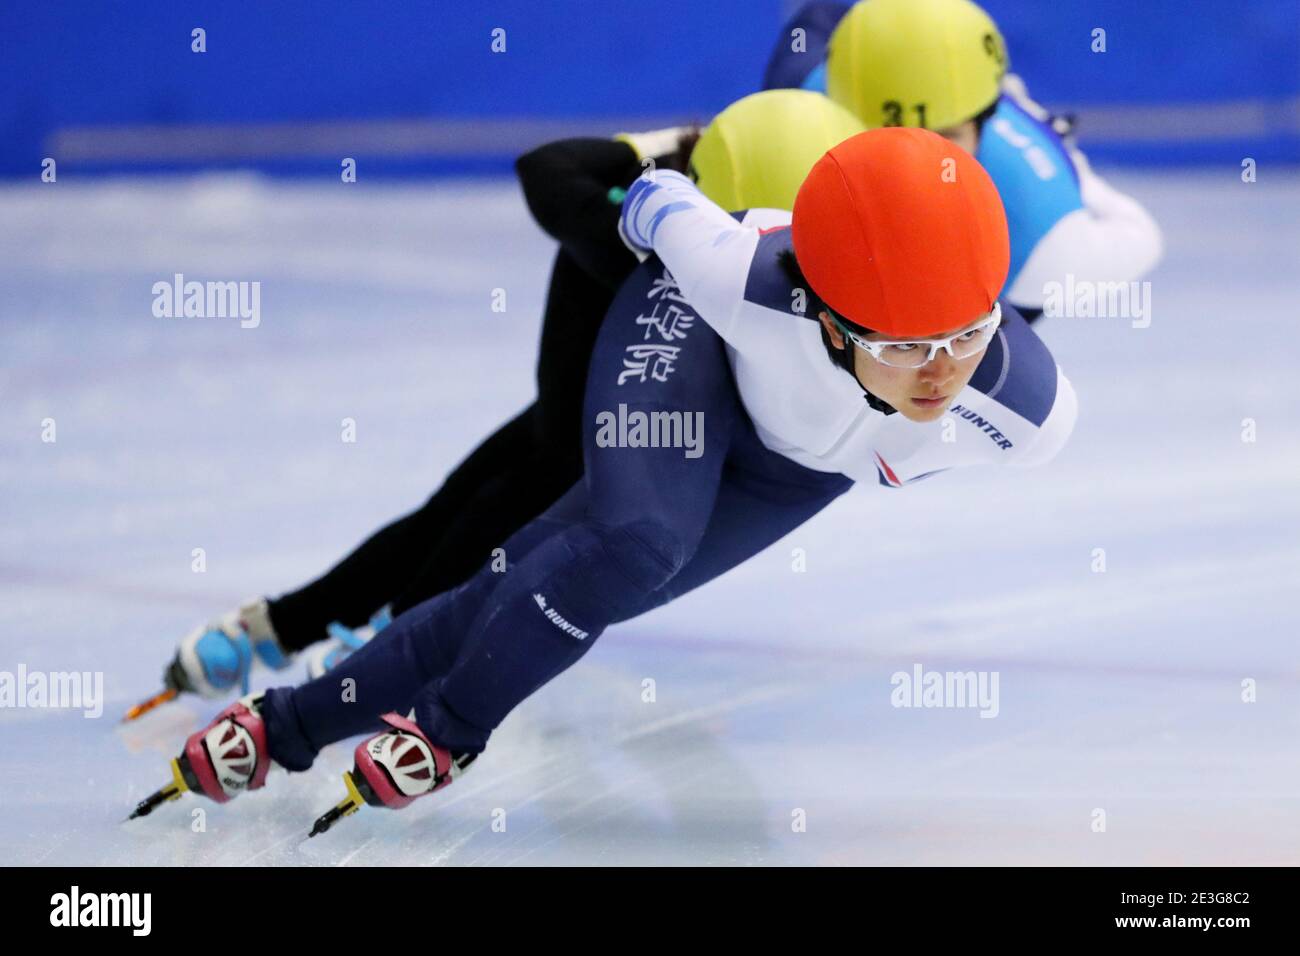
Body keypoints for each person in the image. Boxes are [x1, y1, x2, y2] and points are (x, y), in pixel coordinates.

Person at [134, 128, 1077, 830]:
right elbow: (653, 199)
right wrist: (635, 194)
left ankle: (280, 727)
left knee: (538, 582)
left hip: (794, 470)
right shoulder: (739, 278)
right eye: (907, 346)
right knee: (635, 546)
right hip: (690, 353)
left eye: (967, 336)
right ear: (828, 321)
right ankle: (450, 731)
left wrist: (941, 332)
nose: (942, 371)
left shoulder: (1027, 414)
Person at [137, 91, 866, 710]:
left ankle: (292, 639)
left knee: (451, 539)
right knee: (444, 528)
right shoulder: (659, 233)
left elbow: (550, 170)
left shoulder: (699, 247)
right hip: (566, 453)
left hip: (584, 461)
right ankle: (293, 641)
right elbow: (545, 169)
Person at [761, 0, 1163, 320]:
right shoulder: (800, 96)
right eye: (886, 133)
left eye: (947, 135)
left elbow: (1143, 236)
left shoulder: (1046, 246)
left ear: (984, 126)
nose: (916, 158)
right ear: (841, 117)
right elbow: (822, 17)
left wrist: (1062, 155)